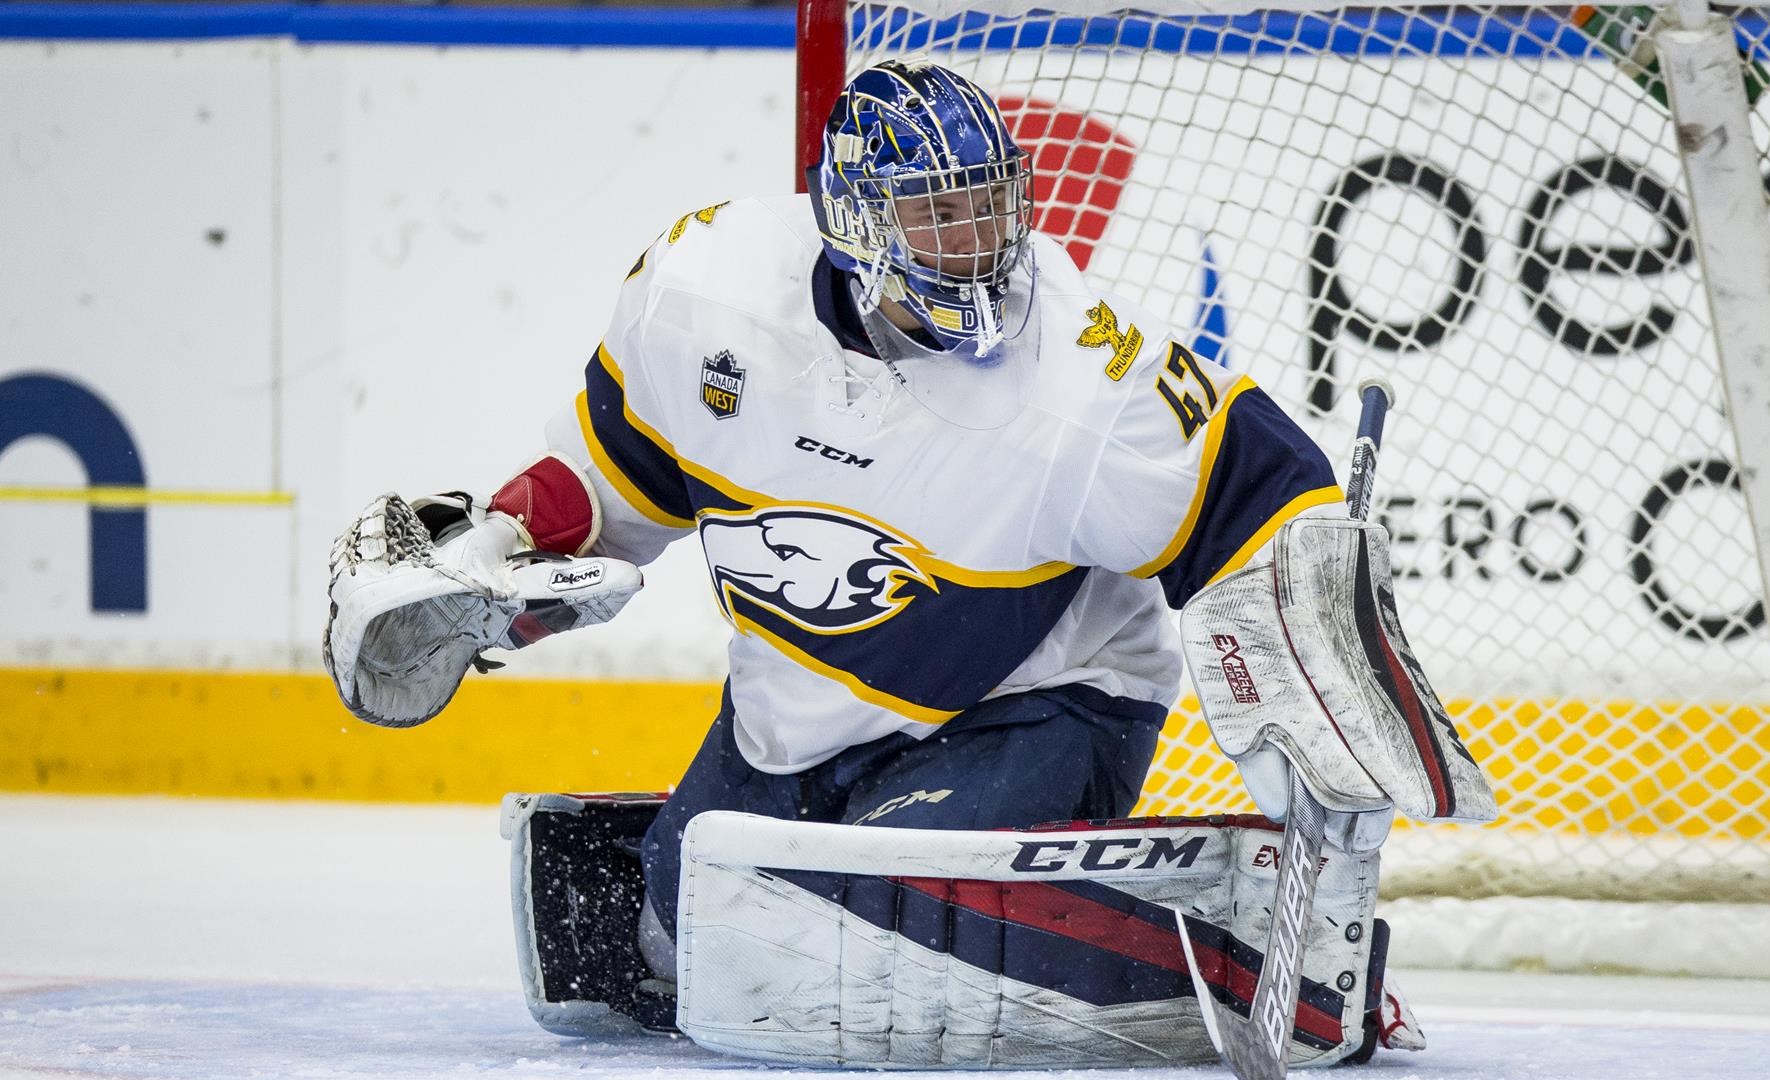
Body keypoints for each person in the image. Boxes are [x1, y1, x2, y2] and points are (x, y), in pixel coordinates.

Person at [323, 58, 1490, 1069]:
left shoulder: (1079, 387)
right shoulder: (705, 289)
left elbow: (1264, 490)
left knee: (859, 932)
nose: (980, 251)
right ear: (854, 222)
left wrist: (1309, 660)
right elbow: (619, 477)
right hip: (798, 704)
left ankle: (1250, 971)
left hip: (1039, 704)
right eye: (938, 219)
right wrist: (505, 548)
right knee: (682, 940)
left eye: (991, 211)